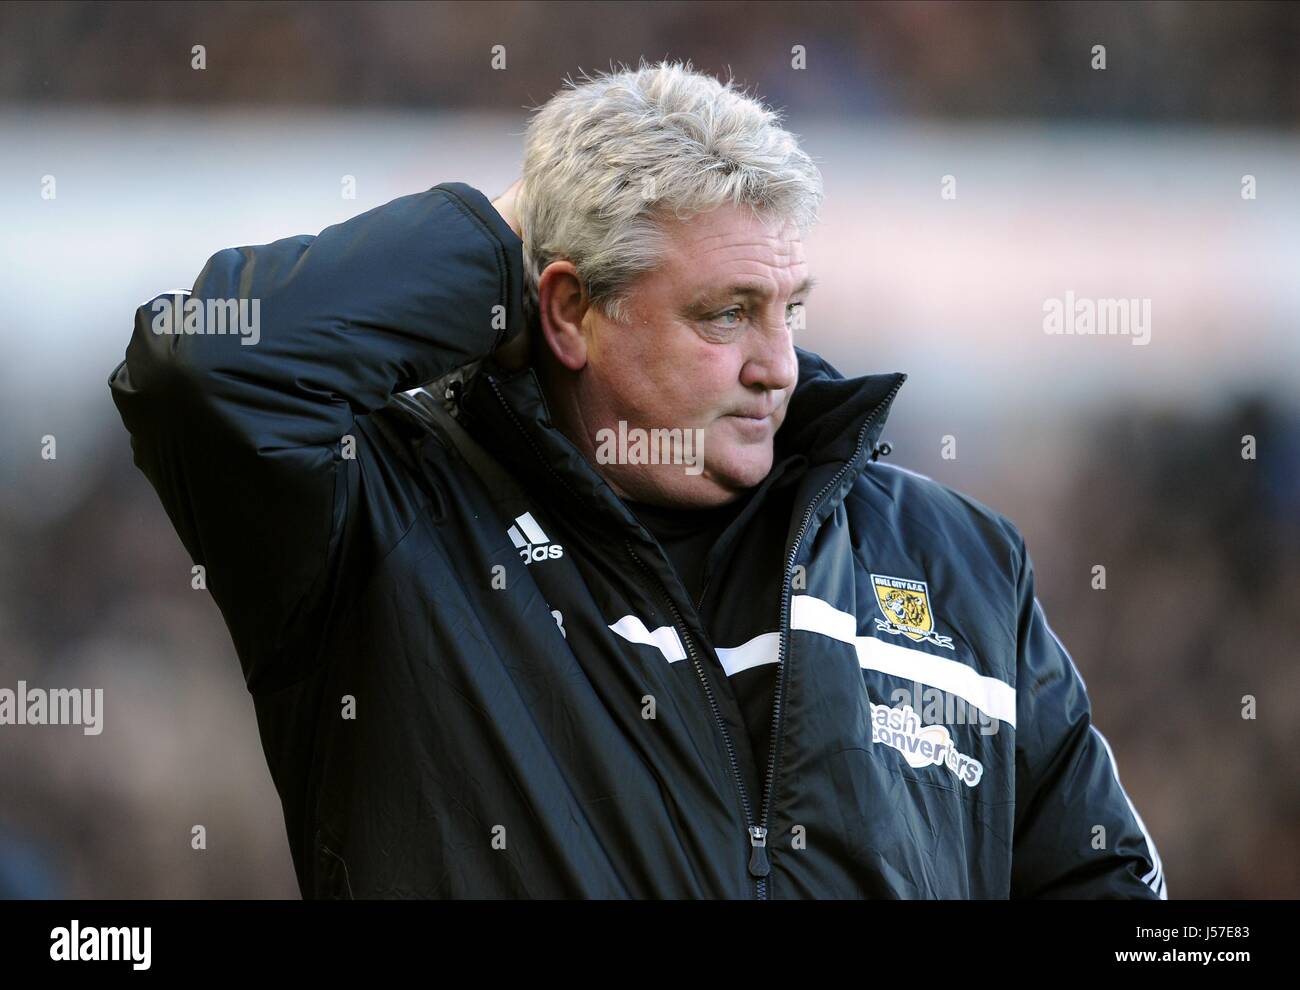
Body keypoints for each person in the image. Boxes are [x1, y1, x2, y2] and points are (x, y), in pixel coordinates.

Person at [108, 60, 1165, 899]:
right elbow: (205, 368)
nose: (779, 365)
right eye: (723, 313)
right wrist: (504, 238)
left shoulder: (958, 564)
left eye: (788, 307)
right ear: (566, 310)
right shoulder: (392, 522)